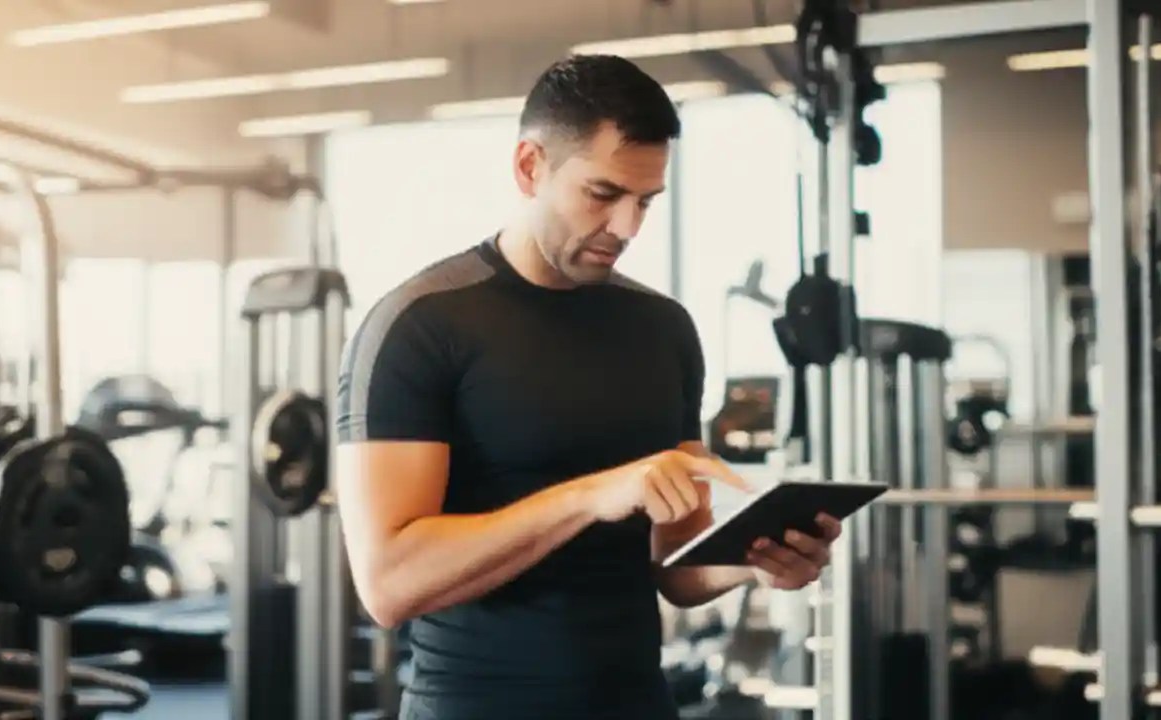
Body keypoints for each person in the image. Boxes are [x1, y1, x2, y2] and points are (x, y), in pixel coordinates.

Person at [335, 54, 843, 720]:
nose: (628, 228)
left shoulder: (662, 329)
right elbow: (388, 585)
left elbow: (677, 569)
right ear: (529, 167)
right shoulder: (419, 326)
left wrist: (755, 561)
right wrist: (589, 497)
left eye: (645, 202)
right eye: (603, 195)